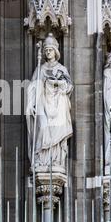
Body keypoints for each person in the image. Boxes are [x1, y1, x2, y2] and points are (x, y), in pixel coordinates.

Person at [26, 33, 73, 168]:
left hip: (58, 105)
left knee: (57, 131)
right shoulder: (40, 69)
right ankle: (42, 159)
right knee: (43, 129)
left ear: (55, 51)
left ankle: (56, 159)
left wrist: (59, 85)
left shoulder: (61, 69)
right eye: (46, 50)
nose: (48, 52)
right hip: (43, 104)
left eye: (50, 50)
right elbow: (33, 87)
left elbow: (69, 86)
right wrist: (31, 104)